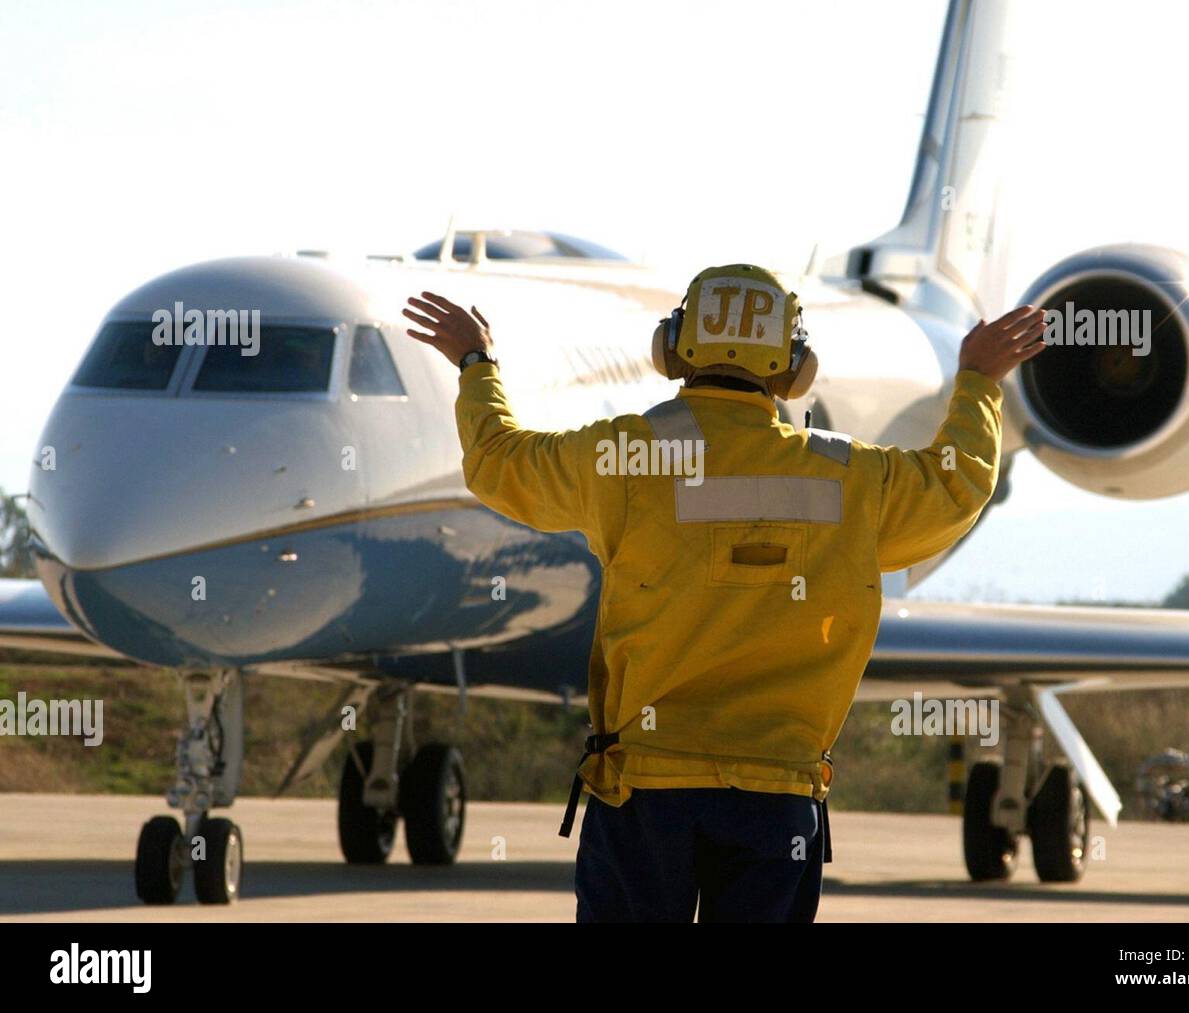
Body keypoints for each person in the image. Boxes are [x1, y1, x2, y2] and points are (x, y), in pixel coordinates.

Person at [403, 264, 1047, 922]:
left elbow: (498, 462)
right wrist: (978, 382)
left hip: (645, 790)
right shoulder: (850, 476)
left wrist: (476, 364)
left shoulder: (624, 456)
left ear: (674, 349)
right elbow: (960, 482)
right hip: (777, 795)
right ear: (795, 368)